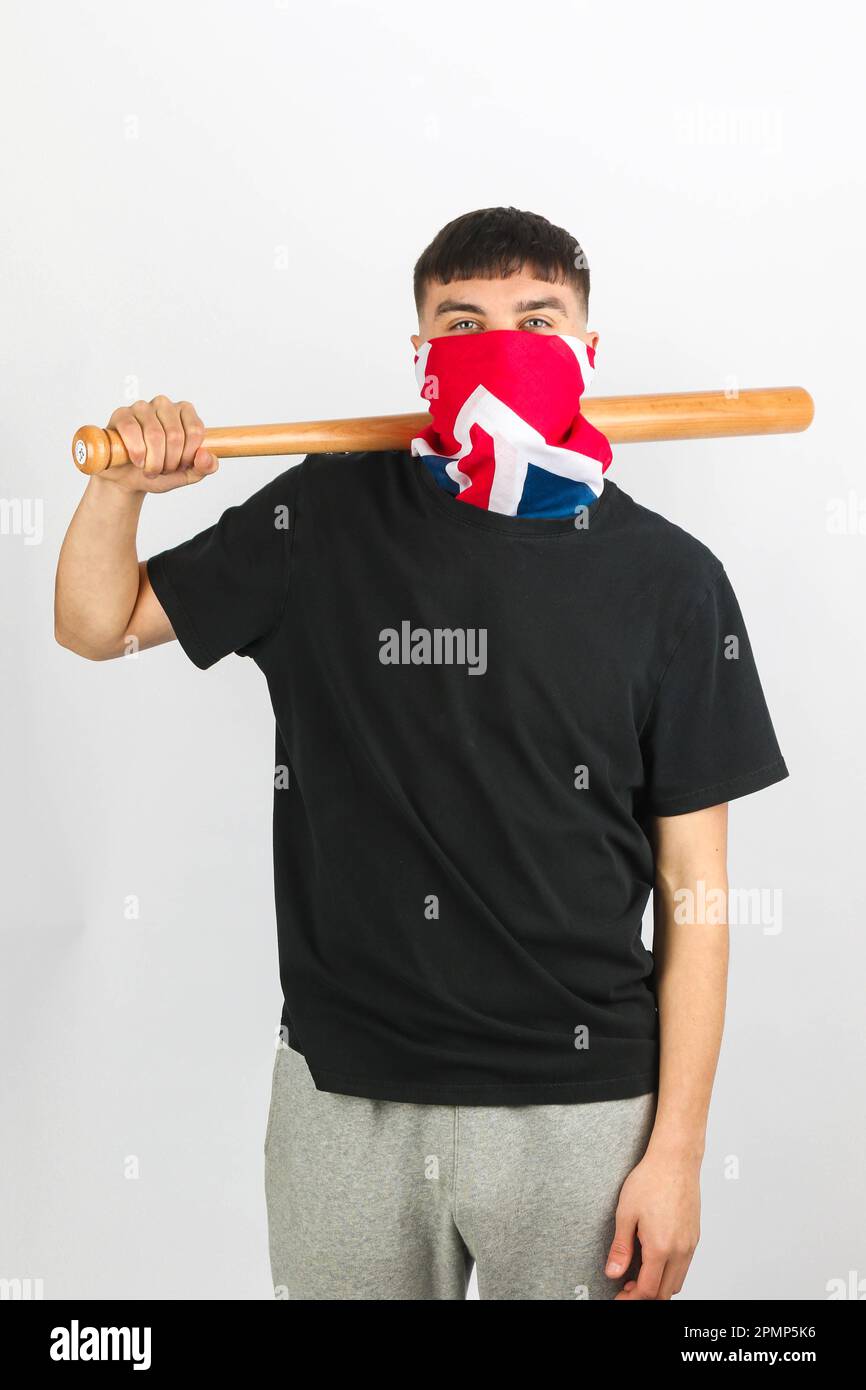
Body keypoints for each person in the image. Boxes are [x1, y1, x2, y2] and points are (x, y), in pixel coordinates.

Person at [54, 206, 788, 1301]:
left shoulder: (671, 580)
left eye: (536, 318)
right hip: (346, 1098)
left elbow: (697, 888)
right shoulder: (321, 516)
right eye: (462, 323)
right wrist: (117, 487)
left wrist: (675, 1151)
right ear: (418, 355)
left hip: (581, 1109)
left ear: (586, 346)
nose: (500, 342)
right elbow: (97, 624)